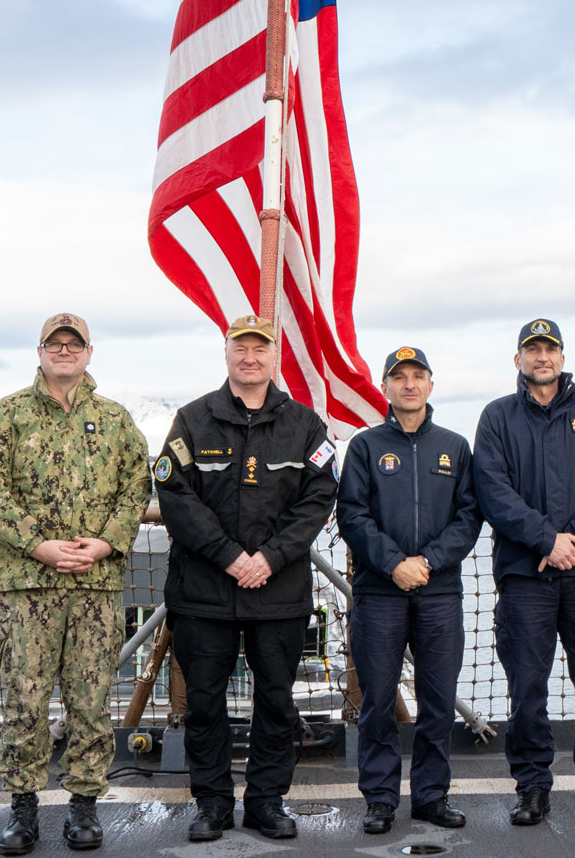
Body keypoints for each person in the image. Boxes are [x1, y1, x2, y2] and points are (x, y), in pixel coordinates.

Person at [155, 315, 340, 843]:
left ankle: (265, 802)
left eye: (260, 348)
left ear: (273, 356)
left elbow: (319, 496)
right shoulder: (191, 421)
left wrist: (271, 557)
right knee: (206, 703)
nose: (250, 357)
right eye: (242, 347)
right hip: (204, 593)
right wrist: (231, 556)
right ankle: (212, 804)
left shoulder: (306, 426)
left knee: (277, 702)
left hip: (277, 592)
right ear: (228, 353)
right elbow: (176, 496)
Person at [0, 312, 151, 855]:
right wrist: (38, 545)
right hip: (26, 585)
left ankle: (83, 807)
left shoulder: (117, 421)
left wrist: (104, 543)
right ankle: (23, 810)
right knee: (23, 700)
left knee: (90, 701)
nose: (65, 351)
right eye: (56, 343)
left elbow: (135, 489)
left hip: (94, 586)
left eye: (75, 344)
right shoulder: (6, 417)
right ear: (40, 351)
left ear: (89, 353)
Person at [472, 318, 575, 827]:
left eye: (550, 349)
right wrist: (546, 540)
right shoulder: (497, 417)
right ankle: (533, 788)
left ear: (562, 356)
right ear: (517, 359)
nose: (542, 357)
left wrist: (573, 543)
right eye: (532, 350)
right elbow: (492, 490)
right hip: (523, 574)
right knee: (527, 691)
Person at [336, 346, 482, 835]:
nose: (409, 384)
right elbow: (352, 515)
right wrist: (395, 564)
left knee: (437, 700)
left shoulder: (455, 447)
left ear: (431, 385)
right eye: (399, 377)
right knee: (377, 700)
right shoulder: (365, 446)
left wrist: (430, 562)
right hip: (379, 594)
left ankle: (431, 796)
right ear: (386, 387)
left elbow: (469, 516)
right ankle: (379, 799)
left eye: (418, 376)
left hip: (440, 594)